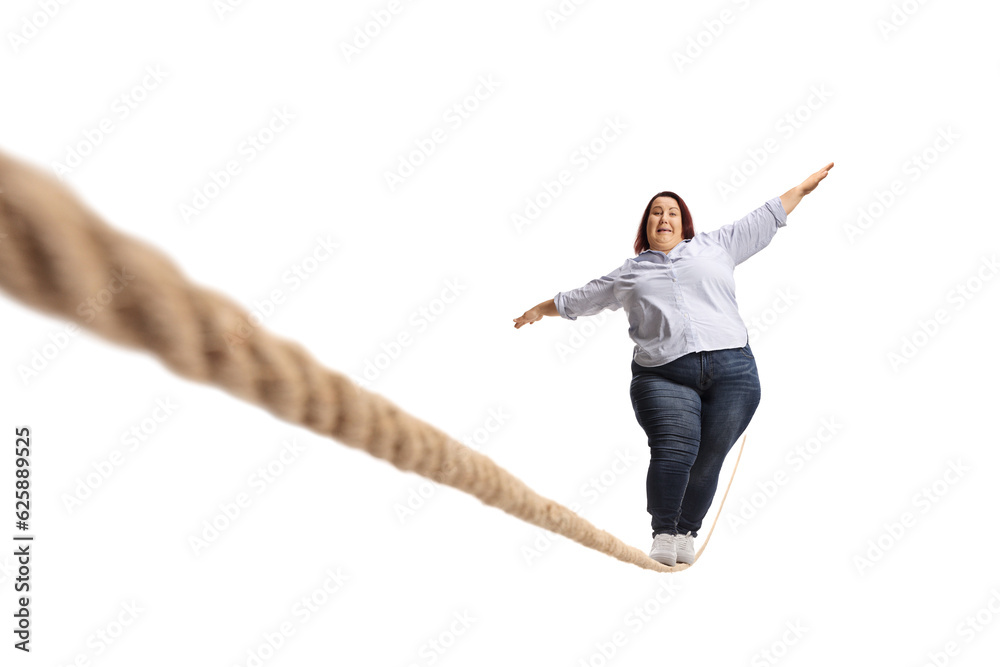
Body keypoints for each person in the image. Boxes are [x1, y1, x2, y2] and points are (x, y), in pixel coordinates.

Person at [513, 162, 834, 566]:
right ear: (646, 225)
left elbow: (766, 215)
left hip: (733, 371)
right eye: (655, 213)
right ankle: (665, 531)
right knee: (675, 447)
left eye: (672, 213)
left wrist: (802, 189)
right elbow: (577, 299)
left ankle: (687, 530)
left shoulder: (718, 245)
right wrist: (538, 311)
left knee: (709, 456)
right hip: (664, 374)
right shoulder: (627, 275)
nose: (663, 218)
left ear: (684, 224)